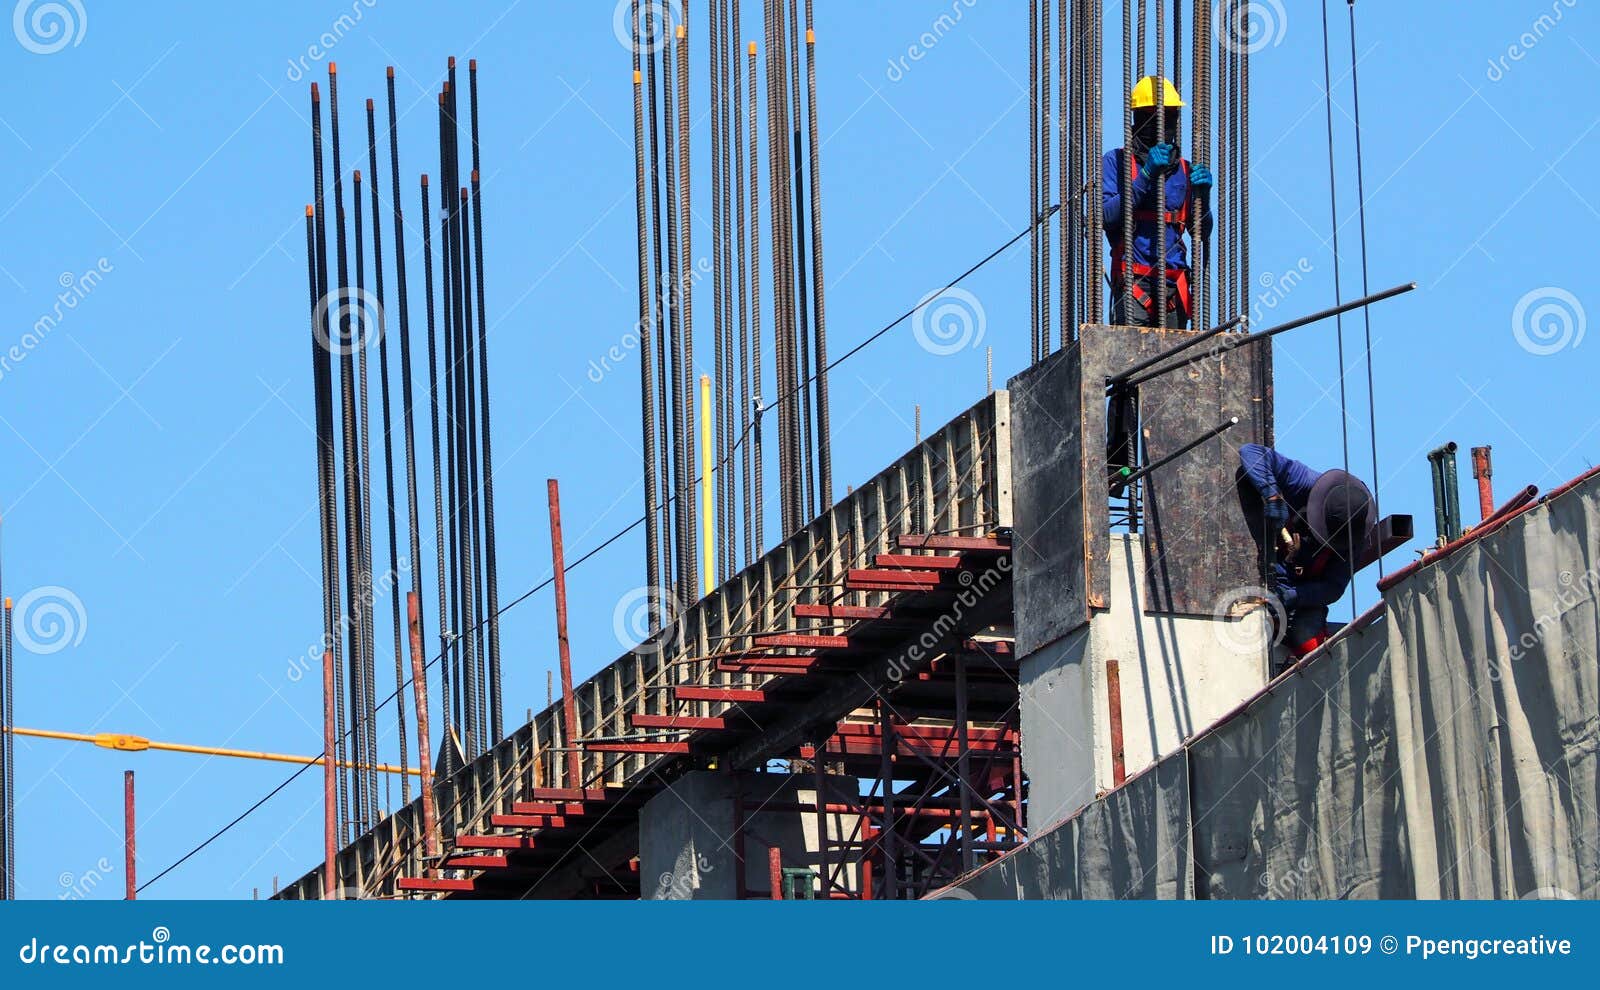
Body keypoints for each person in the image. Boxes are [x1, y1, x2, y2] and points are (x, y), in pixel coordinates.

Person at [1237, 443, 1377, 658]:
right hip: (1266, 562)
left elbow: (1333, 587)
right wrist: (1271, 496)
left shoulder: (1354, 537)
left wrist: (1295, 596)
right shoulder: (1305, 481)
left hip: (1300, 595)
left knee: (1312, 648)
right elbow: (1250, 452)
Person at [1103, 76, 1213, 328]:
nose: (1165, 124)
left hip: (1174, 286)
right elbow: (1106, 216)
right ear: (1140, 119)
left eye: (1171, 115)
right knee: (1133, 363)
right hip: (1134, 285)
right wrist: (1146, 175)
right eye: (1156, 116)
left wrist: (1203, 199)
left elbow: (1200, 231)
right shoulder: (1117, 162)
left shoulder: (1185, 170)